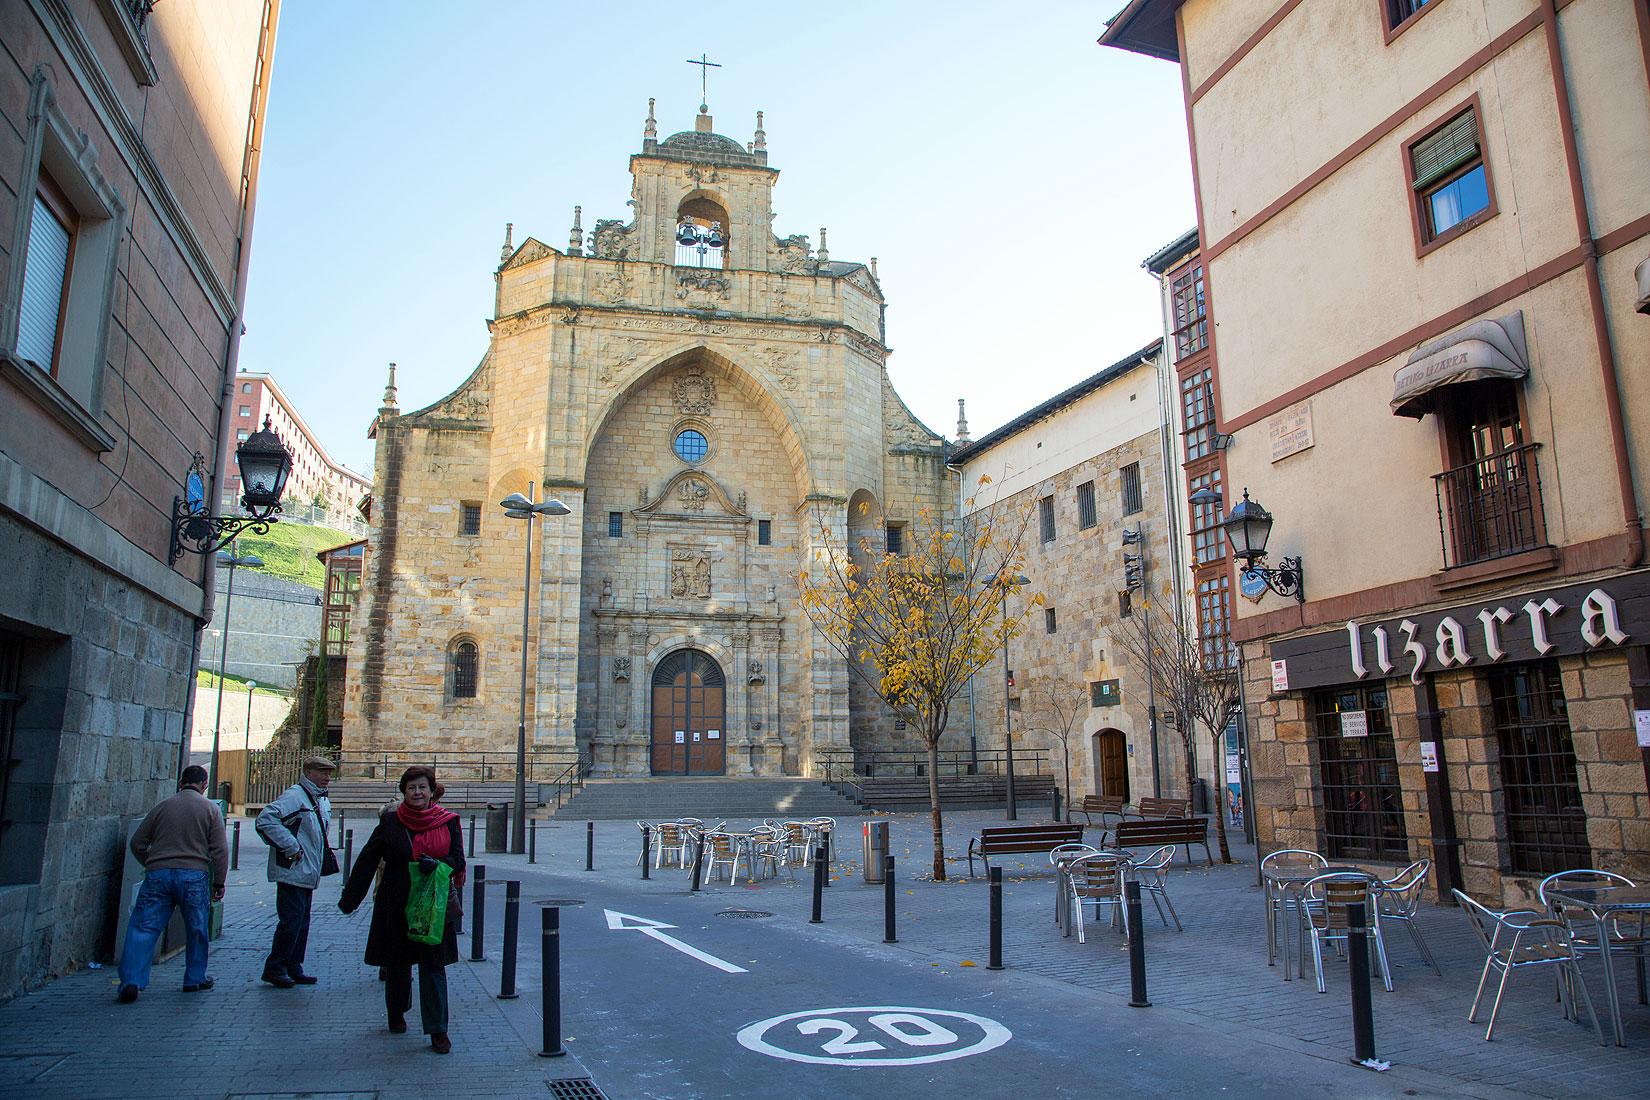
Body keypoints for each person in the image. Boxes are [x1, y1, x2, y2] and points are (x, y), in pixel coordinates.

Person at [340, 766, 465, 1054]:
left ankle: (438, 1030)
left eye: (422, 787)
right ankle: (396, 1012)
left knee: (433, 968)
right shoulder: (390, 822)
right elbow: (367, 860)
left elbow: (458, 859)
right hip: (396, 902)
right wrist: (351, 899)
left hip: (432, 904)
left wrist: (439, 865)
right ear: (404, 791)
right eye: (412, 788)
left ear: (431, 790)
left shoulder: (447, 822)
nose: (418, 792)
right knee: (398, 964)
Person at [116, 765, 229, 1002]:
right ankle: (194, 978)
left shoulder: (162, 807)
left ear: (180, 782)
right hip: (194, 875)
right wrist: (219, 881)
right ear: (204, 784)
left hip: (159, 873)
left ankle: (131, 980)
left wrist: (152, 862)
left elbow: (137, 842)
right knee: (197, 929)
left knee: (143, 927)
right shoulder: (210, 809)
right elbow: (219, 850)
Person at [256, 754, 335, 988]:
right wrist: (291, 846)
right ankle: (276, 967)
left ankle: (293, 965)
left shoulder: (319, 799)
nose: (327, 777)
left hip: (307, 870)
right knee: (291, 921)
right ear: (309, 773)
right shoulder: (295, 796)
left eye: (329, 773)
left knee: (301, 921)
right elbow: (266, 819)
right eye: (322, 772)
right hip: (293, 870)